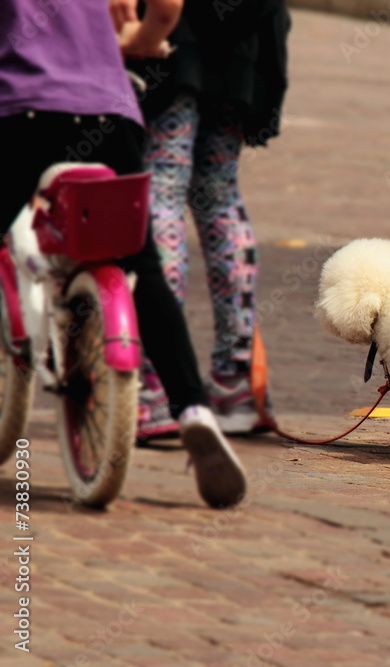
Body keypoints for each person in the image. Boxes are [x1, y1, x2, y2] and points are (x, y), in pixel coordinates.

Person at [0, 0, 246, 508]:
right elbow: (168, 6)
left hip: (21, 115)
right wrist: (143, 42)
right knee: (141, 264)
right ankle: (195, 411)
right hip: (111, 119)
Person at [115, 0, 291, 438]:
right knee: (219, 193)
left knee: (164, 191)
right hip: (241, 33)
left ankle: (156, 388)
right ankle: (236, 383)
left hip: (173, 30)